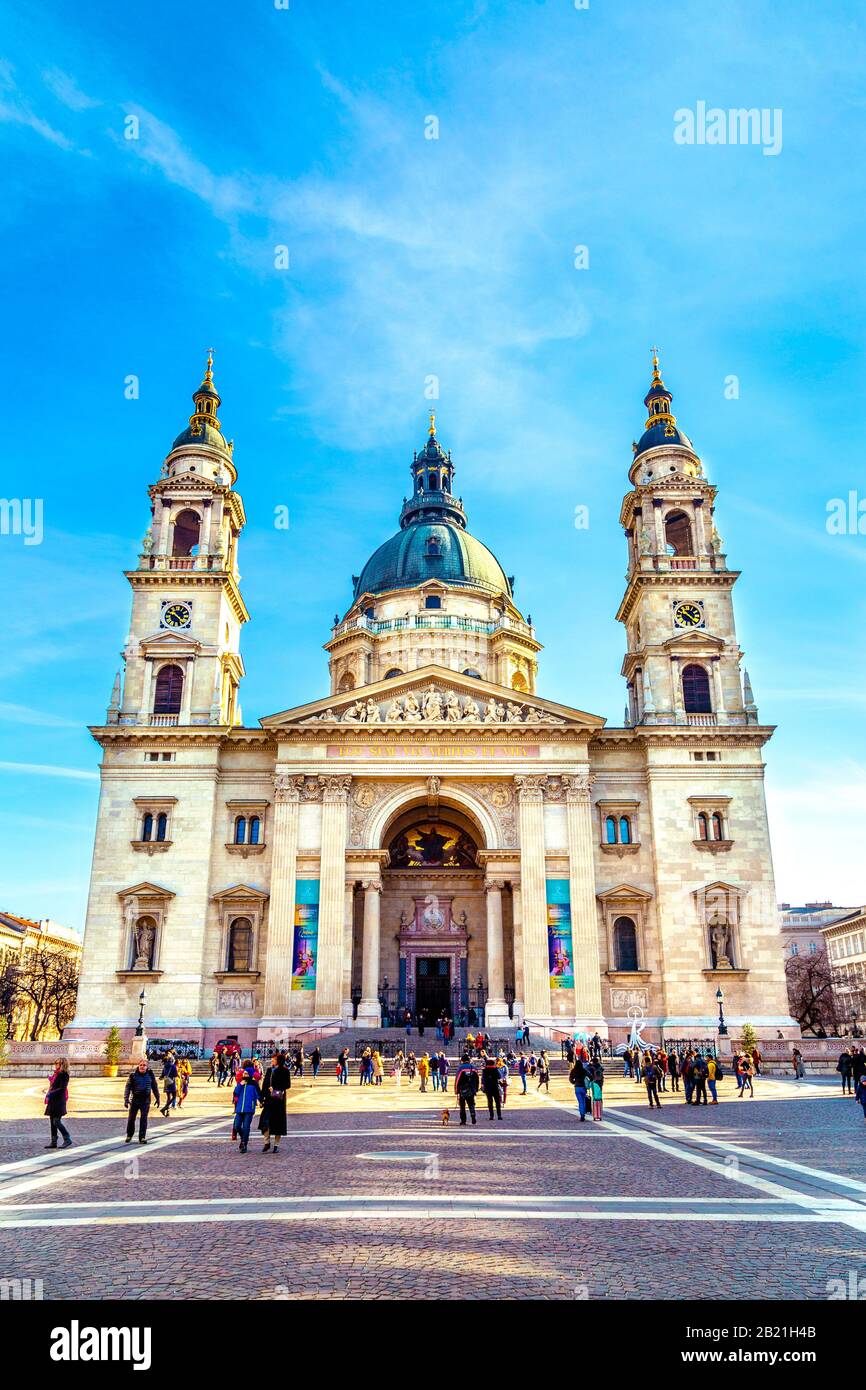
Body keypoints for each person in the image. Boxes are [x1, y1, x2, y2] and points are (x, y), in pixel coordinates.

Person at [260, 1051, 291, 1153]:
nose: (271, 1061)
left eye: (273, 1059)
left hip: (279, 1100)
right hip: (269, 1100)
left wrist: (275, 1089)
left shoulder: (285, 1071)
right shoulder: (269, 1070)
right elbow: (265, 1084)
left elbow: (287, 1085)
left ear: (278, 1061)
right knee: (264, 1121)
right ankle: (267, 1142)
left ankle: (276, 1145)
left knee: (278, 1123)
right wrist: (262, 1098)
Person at [124, 1058, 160, 1143]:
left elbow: (154, 1087)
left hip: (146, 1100)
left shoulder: (150, 1075)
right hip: (135, 1099)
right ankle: (129, 1135)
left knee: (144, 1119)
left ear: (147, 1067)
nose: (142, 1067)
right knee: (131, 1119)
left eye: (144, 1065)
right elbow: (127, 1088)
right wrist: (126, 1099)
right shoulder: (133, 1076)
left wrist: (158, 1098)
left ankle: (142, 1137)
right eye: (141, 1065)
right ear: (138, 1066)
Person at [232, 1063, 263, 1153]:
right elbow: (235, 1093)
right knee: (237, 1126)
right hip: (239, 1109)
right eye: (244, 1073)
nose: (244, 1075)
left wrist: (261, 1102)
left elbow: (259, 1095)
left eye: (246, 1074)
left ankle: (244, 1144)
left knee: (246, 1127)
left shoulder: (253, 1084)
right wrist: (240, 1084)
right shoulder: (240, 1083)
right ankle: (243, 1138)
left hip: (249, 1109)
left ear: (250, 1074)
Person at [44, 1058, 72, 1150]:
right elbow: (55, 1085)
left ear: (62, 1064)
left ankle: (67, 1139)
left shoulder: (64, 1075)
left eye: (57, 1063)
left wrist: (51, 1093)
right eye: (55, 1063)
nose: (56, 1065)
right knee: (52, 1122)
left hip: (59, 1101)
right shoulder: (57, 1074)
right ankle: (53, 1142)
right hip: (53, 1100)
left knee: (56, 1121)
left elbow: (62, 1088)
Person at [454, 1055, 479, 1125]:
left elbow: (457, 1079)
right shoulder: (473, 1068)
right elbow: (477, 1079)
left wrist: (456, 1090)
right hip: (471, 1089)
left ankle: (463, 1120)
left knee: (462, 1105)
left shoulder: (460, 1068)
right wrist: (476, 1089)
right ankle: (473, 1114)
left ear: (462, 1060)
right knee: (471, 1103)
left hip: (462, 1089)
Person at [481, 1055, 503, 1121]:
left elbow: (483, 1079)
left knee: (490, 1102)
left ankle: (491, 1116)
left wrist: (483, 1085)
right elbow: (499, 1076)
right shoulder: (495, 1069)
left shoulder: (485, 1070)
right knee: (497, 1102)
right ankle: (499, 1115)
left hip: (488, 1087)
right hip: (495, 1086)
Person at [569, 1053, 589, 1121]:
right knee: (583, 1100)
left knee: (580, 1101)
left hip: (577, 1087)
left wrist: (574, 1082)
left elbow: (570, 1078)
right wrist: (588, 1082)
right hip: (583, 1087)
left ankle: (582, 1114)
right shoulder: (583, 1070)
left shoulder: (574, 1070)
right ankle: (583, 1114)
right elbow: (590, 1076)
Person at [159, 1051, 178, 1116]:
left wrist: (162, 1077)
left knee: (168, 1098)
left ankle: (167, 1112)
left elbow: (161, 1076)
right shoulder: (173, 1066)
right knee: (174, 1096)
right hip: (172, 1082)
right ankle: (164, 1108)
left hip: (166, 1083)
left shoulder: (164, 1067)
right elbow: (176, 1075)